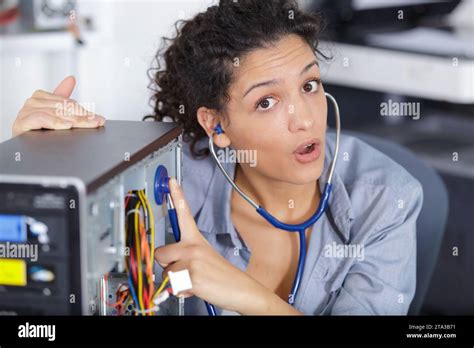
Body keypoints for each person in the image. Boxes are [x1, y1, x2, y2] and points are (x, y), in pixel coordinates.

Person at [11, 0, 423, 315]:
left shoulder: (385, 198)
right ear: (217, 126)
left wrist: (245, 295)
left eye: (310, 85)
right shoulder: (166, 184)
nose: (304, 120)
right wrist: (37, 160)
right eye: (266, 102)